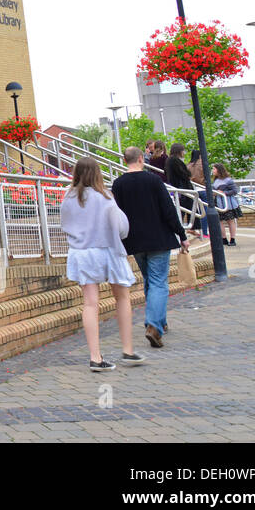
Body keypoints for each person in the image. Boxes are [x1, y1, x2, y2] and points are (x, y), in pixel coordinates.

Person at [60, 157, 142, 371]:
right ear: (97, 173)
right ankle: (128, 350)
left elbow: (64, 226)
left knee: (90, 303)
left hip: (81, 253)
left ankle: (95, 357)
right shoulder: (105, 197)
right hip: (108, 249)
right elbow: (122, 227)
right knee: (122, 298)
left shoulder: (68, 198)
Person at [112, 147, 190, 348]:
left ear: (124, 160)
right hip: (158, 239)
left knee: (149, 280)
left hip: (135, 241)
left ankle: (158, 320)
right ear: (140, 158)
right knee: (158, 282)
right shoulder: (154, 181)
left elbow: (116, 215)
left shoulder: (118, 184)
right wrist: (181, 235)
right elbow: (168, 209)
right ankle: (154, 325)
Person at [165, 142, 198, 234]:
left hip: (179, 188)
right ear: (179, 151)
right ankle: (187, 228)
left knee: (183, 209)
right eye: (183, 150)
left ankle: (186, 228)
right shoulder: (174, 160)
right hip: (181, 188)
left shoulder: (170, 160)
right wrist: (187, 175)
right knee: (184, 208)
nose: (184, 152)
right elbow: (184, 174)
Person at [211, 163, 241, 247]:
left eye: (214, 169)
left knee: (230, 221)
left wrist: (224, 193)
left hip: (228, 203)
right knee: (220, 221)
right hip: (218, 202)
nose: (212, 171)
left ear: (219, 170)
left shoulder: (228, 180)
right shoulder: (216, 181)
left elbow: (235, 191)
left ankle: (232, 239)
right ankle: (223, 238)